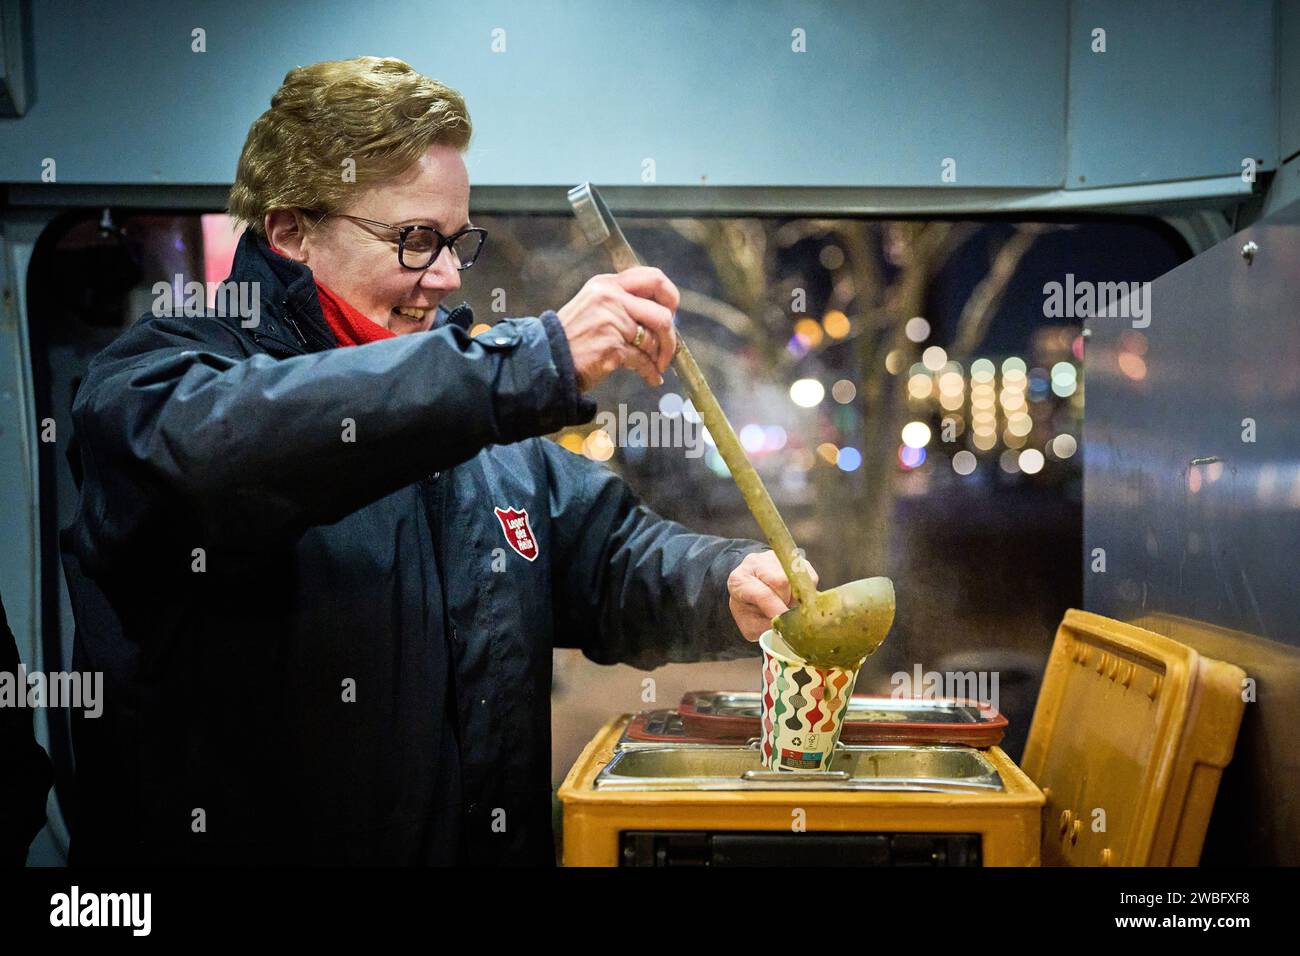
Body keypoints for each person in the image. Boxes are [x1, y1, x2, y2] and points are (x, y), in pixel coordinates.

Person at [59, 56, 812, 866]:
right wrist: (530, 361)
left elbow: (606, 557)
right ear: (290, 232)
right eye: (416, 240)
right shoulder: (156, 389)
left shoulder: (468, 419)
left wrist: (724, 582)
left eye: (456, 243)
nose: (448, 275)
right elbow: (248, 441)